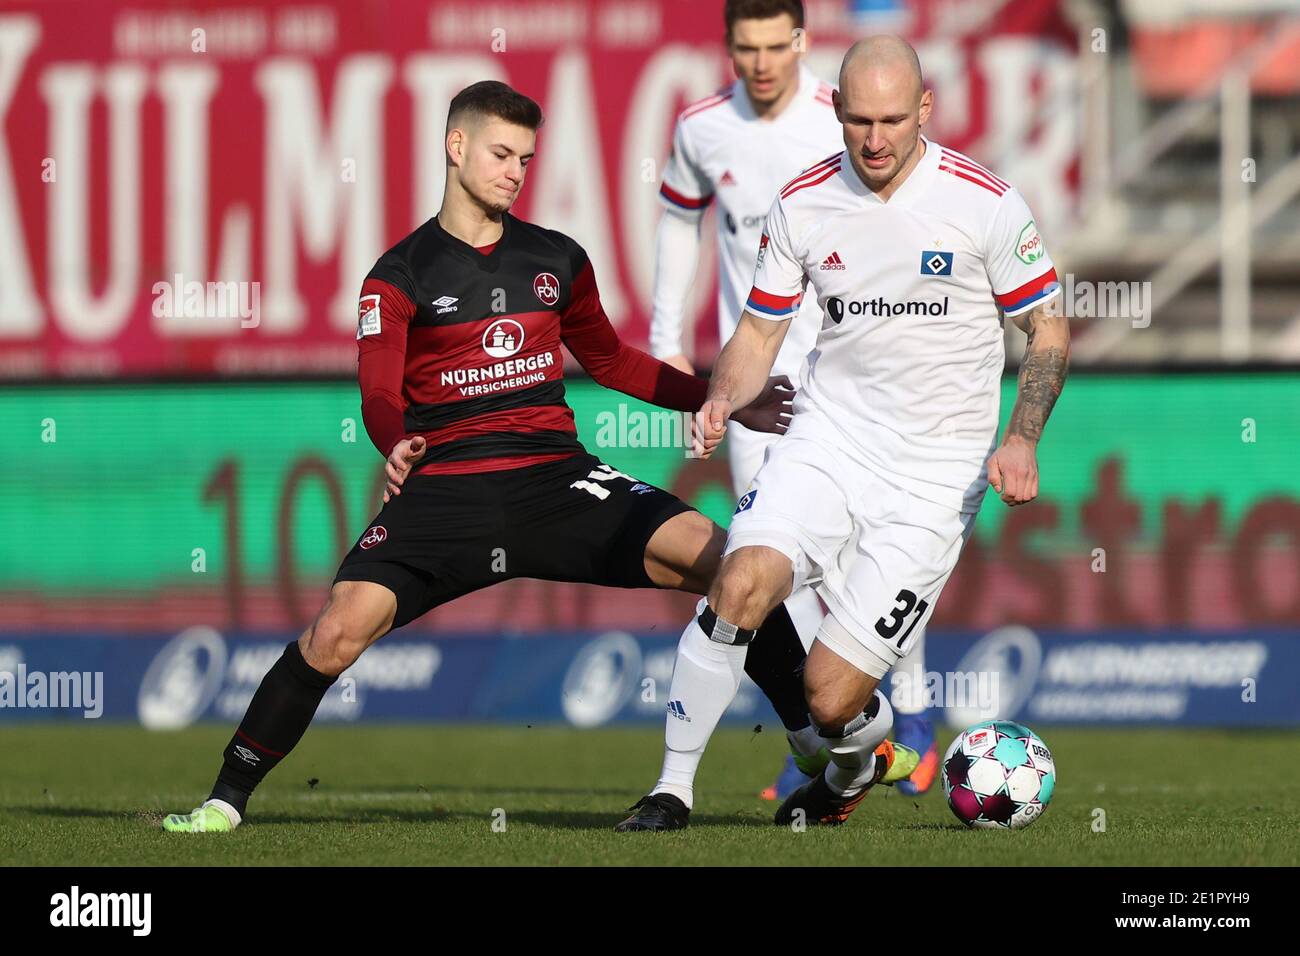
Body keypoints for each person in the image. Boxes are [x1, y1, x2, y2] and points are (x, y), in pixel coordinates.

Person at [161, 79, 794, 834]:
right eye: (501, 153)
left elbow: (615, 362)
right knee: (335, 632)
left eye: (525, 159)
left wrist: (718, 399)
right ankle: (225, 800)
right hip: (446, 492)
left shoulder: (555, 259)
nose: (514, 171)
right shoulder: (398, 275)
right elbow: (377, 391)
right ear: (455, 147)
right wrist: (394, 441)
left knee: (729, 563)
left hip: (556, 480)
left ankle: (817, 736)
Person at [618, 35, 1069, 830]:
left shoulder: (985, 202)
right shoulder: (803, 201)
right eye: (859, 119)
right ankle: (671, 790)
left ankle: (857, 766)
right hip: (827, 441)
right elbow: (759, 333)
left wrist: (1023, 437)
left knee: (830, 699)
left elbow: (1049, 329)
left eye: (894, 118)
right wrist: (722, 396)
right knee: (741, 579)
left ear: (925, 109)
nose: (876, 138)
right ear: (836, 109)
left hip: (936, 478)